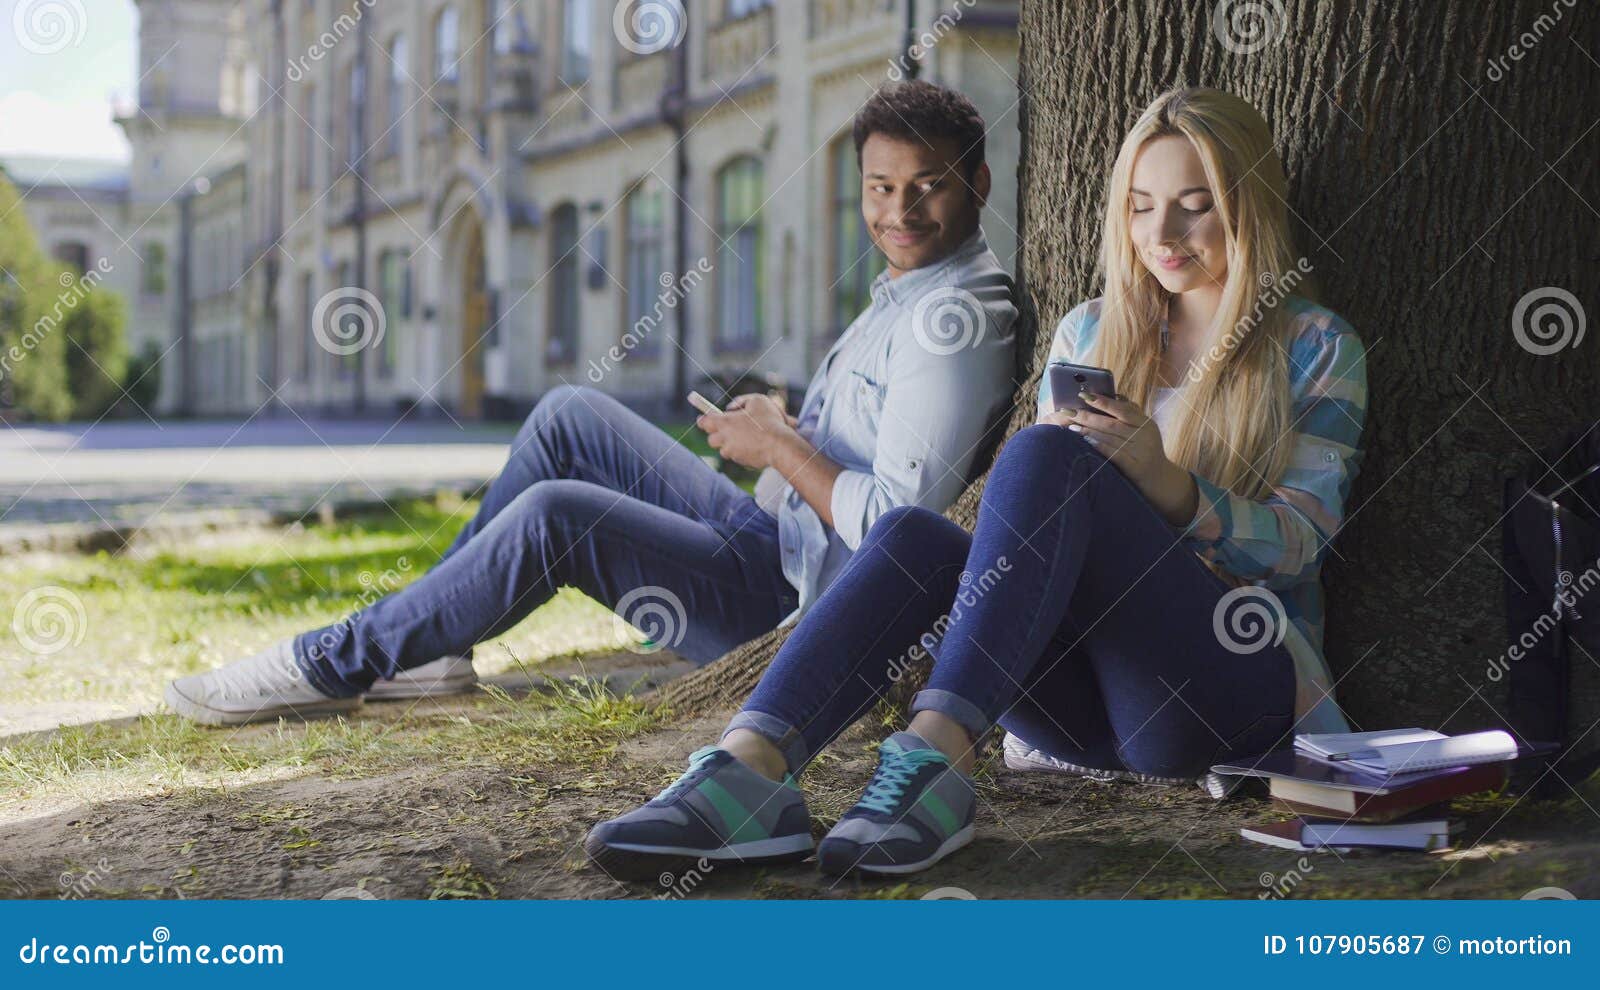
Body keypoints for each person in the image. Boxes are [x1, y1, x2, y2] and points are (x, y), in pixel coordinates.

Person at [585, 86, 1370, 879]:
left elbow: (1300, 548)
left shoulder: (1314, 346)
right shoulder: (1092, 331)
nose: (1160, 235)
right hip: (1090, 713)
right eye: (1139, 207)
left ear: (1247, 207)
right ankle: (748, 770)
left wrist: (1170, 484)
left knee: (1044, 457)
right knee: (913, 537)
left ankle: (934, 764)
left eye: (1194, 207)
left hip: (1225, 687)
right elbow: (1043, 531)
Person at [165, 80, 1018, 726]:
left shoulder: (953, 321)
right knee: (569, 413)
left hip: (793, 607)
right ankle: (433, 637)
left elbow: (905, 529)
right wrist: (793, 429)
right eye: (878, 186)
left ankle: (332, 661)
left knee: (555, 517)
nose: (898, 209)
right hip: (776, 536)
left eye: (926, 186)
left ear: (976, 183)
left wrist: (783, 452)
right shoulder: (911, 286)